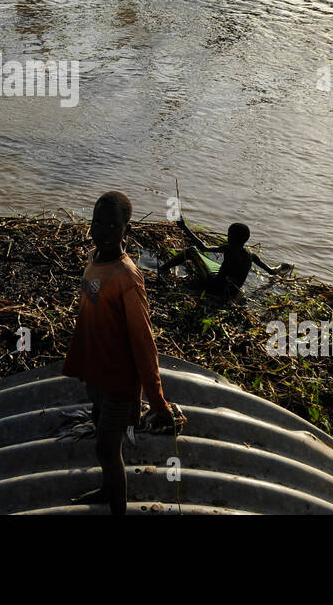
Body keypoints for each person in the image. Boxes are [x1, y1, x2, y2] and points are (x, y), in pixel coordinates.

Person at [63, 191, 184, 514]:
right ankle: (106, 489)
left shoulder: (127, 277)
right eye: (96, 223)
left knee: (106, 446)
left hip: (120, 379)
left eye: (112, 226)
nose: (101, 231)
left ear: (125, 230)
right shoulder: (94, 259)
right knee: (101, 433)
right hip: (97, 373)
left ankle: (118, 506)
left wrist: (157, 400)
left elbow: (144, 341)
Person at [159, 218, 279, 301]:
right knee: (216, 266)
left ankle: (162, 269)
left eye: (228, 235)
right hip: (232, 291)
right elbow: (270, 271)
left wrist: (184, 227)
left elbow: (203, 247)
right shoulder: (252, 255)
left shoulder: (228, 248)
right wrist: (279, 268)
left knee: (191, 250)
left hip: (216, 286)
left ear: (231, 237)